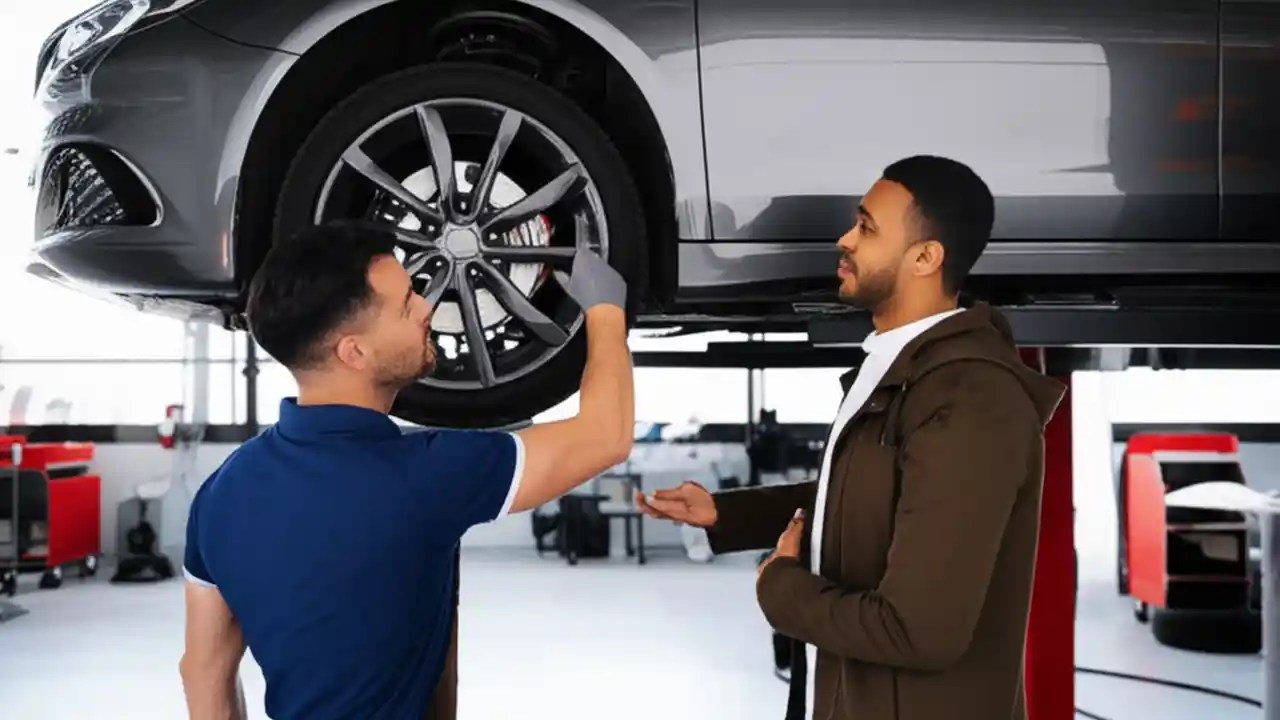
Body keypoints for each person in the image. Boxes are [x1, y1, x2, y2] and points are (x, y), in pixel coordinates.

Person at [638, 155, 1067, 720]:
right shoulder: (904, 371)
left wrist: (781, 591)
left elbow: (920, 633)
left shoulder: (970, 403)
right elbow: (867, 500)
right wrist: (726, 513)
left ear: (924, 257)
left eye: (866, 227)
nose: (844, 239)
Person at [179, 222, 634, 720]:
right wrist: (605, 309)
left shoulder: (221, 492)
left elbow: (203, 672)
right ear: (354, 351)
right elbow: (605, 436)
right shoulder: (429, 474)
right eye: (406, 304)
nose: (427, 308)